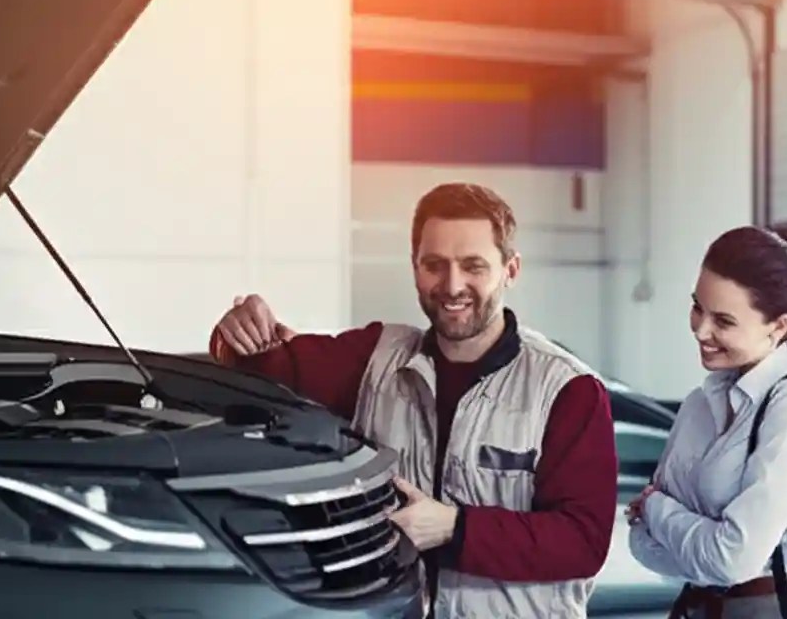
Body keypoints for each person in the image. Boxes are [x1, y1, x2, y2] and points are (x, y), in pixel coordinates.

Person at [209, 182, 618, 619]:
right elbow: (255, 367)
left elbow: (582, 542)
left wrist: (454, 528)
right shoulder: (374, 358)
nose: (452, 284)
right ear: (414, 267)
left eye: (473, 266)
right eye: (435, 265)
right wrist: (233, 333)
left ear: (511, 270)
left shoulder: (567, 390)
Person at [626, 226, 787, 619]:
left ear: (779, 326)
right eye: (697, 307)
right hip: (697, 607)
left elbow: (731, 560)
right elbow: (644, 546)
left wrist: (659, 510)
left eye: (723, 321)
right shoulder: (698, 405)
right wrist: (700, 540)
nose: (700, 330)